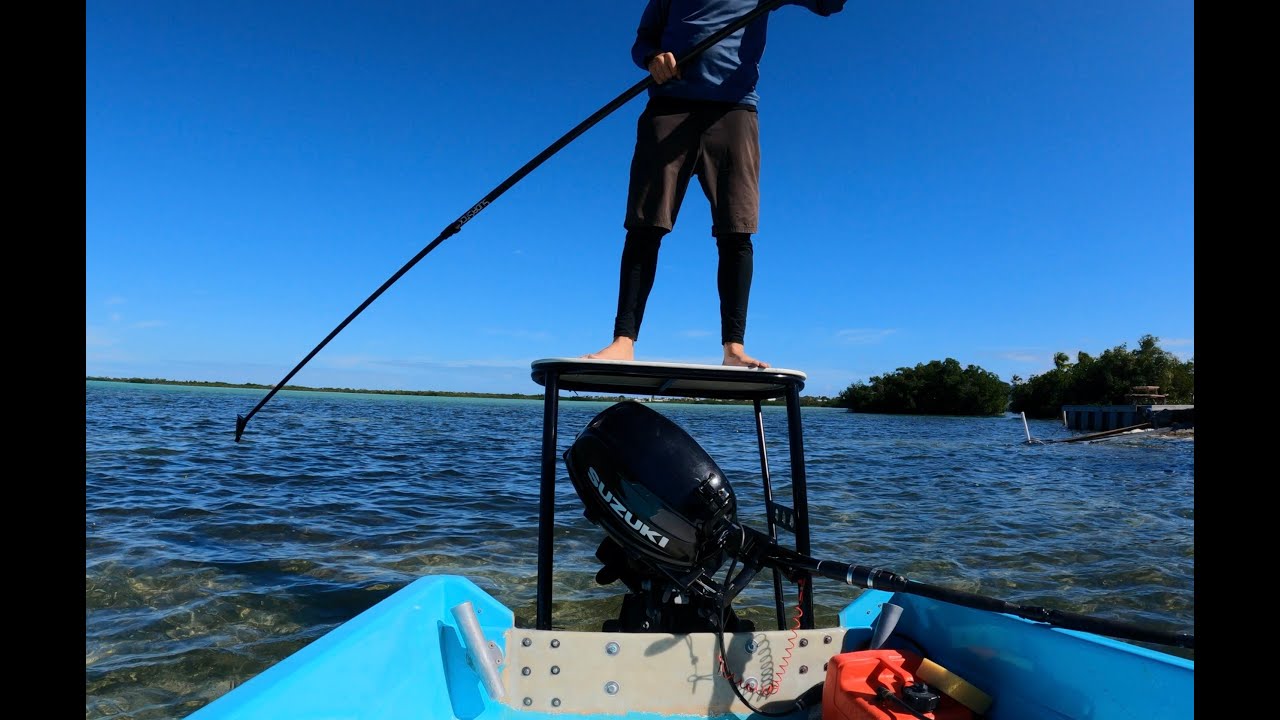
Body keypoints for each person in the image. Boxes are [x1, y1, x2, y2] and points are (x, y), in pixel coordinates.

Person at [586, 0, 846, 369]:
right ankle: (623, 341)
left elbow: (828, 4)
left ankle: (734, 349)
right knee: (645, 226)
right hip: (669, 107)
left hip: (734, 110)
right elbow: (643, 41)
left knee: (737, 231)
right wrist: (653, 58)